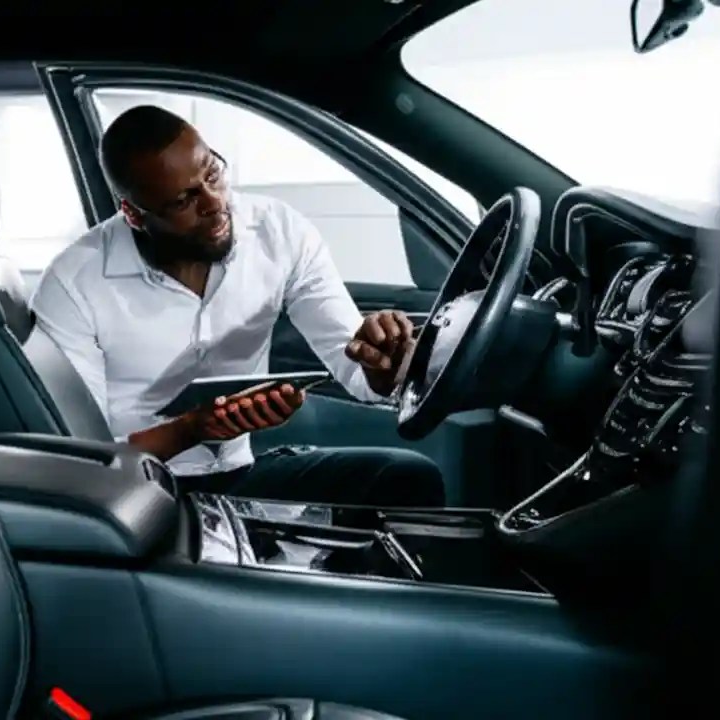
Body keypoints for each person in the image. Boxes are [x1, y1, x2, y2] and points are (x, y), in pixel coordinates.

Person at [30, 105, 444, 508]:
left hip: (239, 475)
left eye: (212, 173)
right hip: (139, 491)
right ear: (134, 215)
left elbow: (353, 365)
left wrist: (380, 366)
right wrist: (192, 429)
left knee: (407, 478)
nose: (214, 203)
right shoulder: (73, 282)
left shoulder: (278, 232)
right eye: (183, 200)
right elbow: (86, 457)